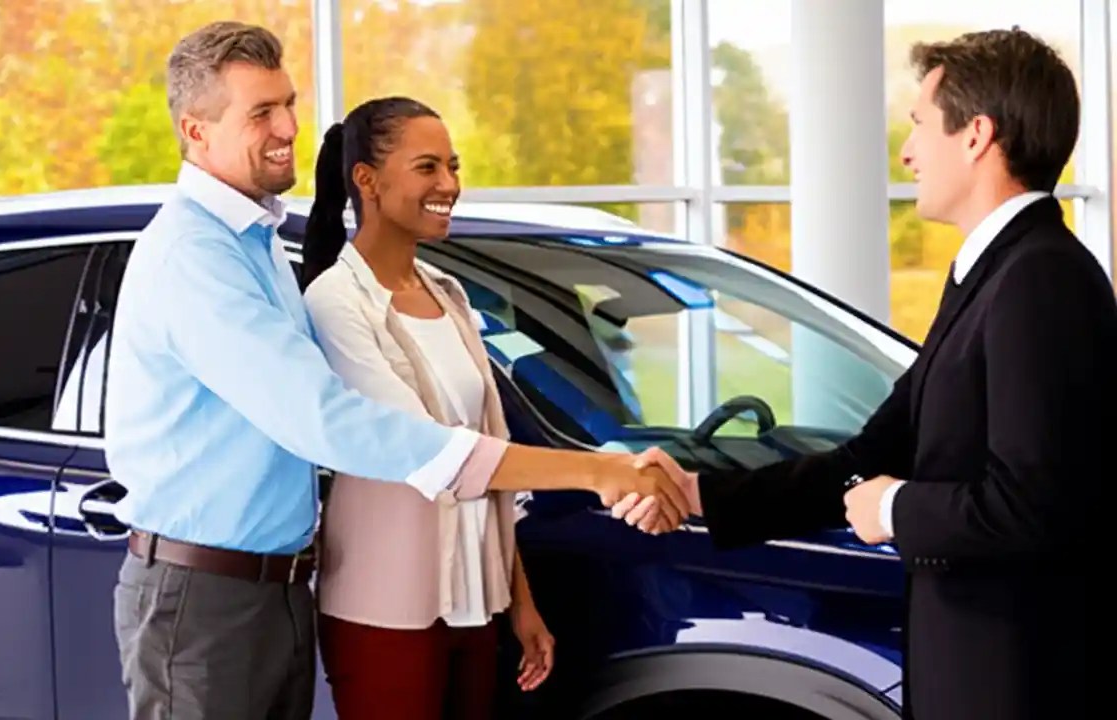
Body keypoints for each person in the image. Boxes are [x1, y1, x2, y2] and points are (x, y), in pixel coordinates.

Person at [103, 21, 691, 720]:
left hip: (278, 589)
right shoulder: (195, 258)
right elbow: (332, 424)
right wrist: (596, 471)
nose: (289, 126)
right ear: (195, 131)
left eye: (288, 103)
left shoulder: (256, 244)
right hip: (205, 596)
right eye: (261, 112)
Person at [616, 28, 1106, 720]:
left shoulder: (1043, 279)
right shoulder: (991, 273)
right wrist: (698, 493)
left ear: (976, 135)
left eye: (918, 126)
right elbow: (865, 459)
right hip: (970, 669)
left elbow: (1035, 507)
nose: (906, 152)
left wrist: (893, 508)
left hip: (1018, 679)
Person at [300, 97, 554, 720]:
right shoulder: (336, 302)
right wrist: (597, 473)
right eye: (428, 168)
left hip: (475, 601)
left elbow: (489, 459)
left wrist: (520, 599)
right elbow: (428, 451)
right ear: (367, 179)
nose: (450, 185)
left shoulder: (451, 294)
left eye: (454, 166)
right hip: (384, 608)